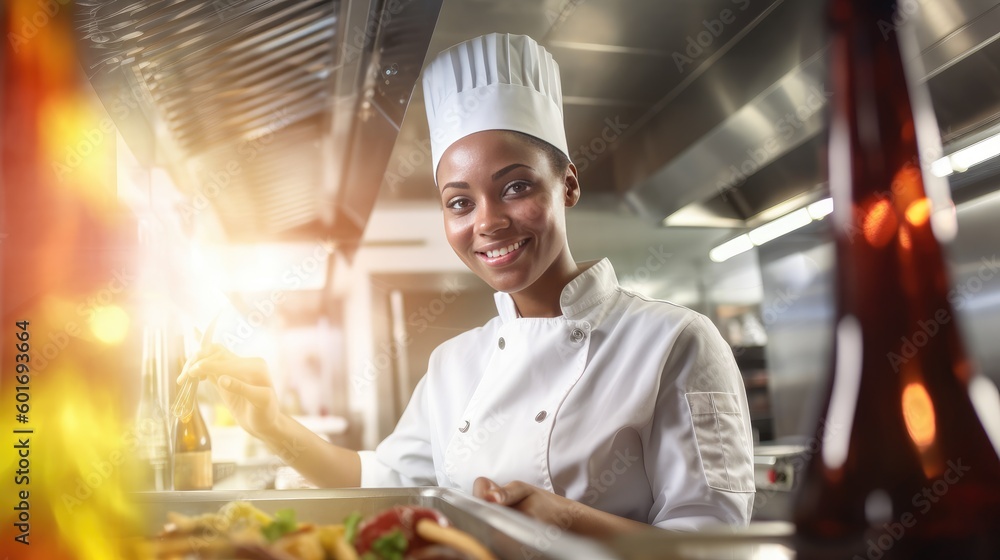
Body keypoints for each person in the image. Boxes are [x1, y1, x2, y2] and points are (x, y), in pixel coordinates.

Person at [181, 33, 755, 536]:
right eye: (460, 202)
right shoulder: (455, 363)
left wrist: (564, 521)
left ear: (569, 185)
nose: (487, 222)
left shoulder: (675, 343)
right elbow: (386, 482)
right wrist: (271, 425)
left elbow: (713, 543)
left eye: (515, 187)